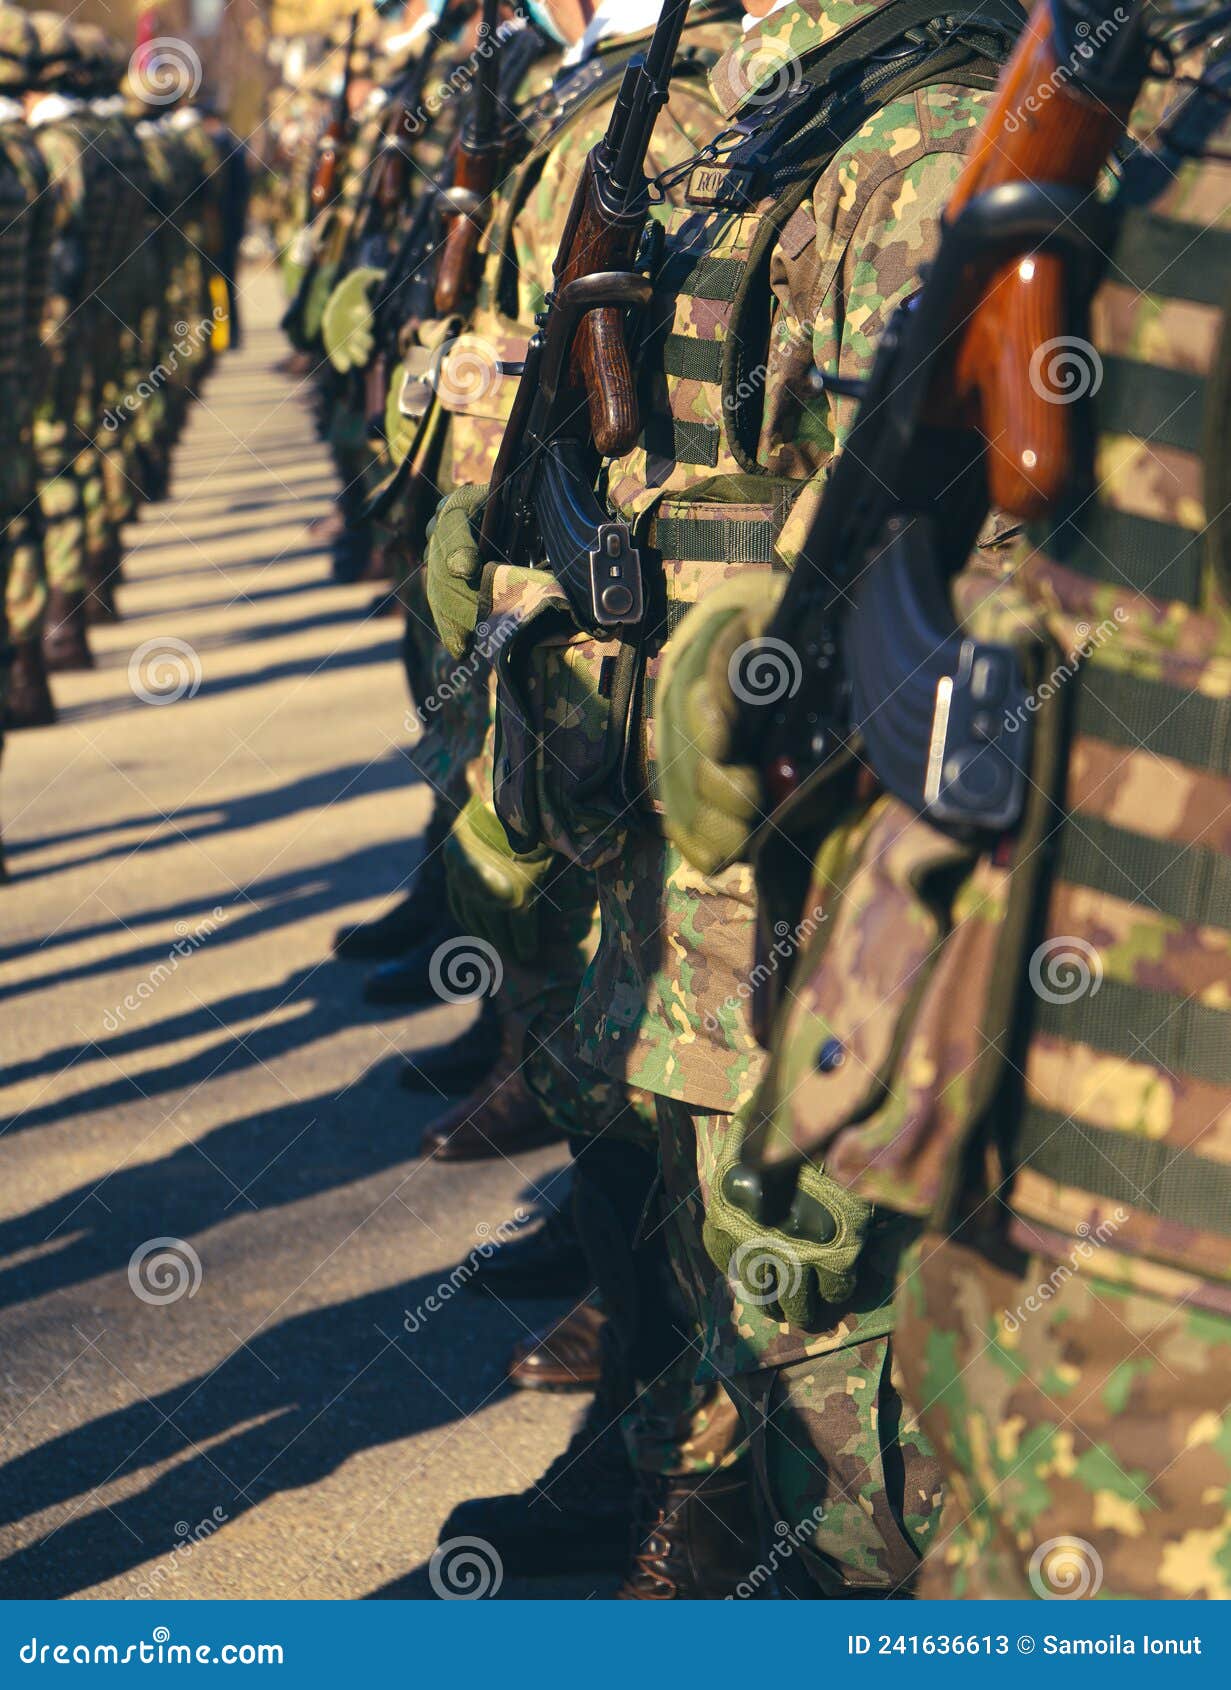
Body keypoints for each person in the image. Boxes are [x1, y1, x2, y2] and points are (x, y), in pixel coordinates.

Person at [425, 0, 1028, 1596]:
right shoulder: (781, 106)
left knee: (826, 1311)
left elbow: (957, 547)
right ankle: (678, 1492)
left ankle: (799, 1566)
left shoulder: (926, 137)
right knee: (676, 1186)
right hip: (671, 790)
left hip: (804, 821)